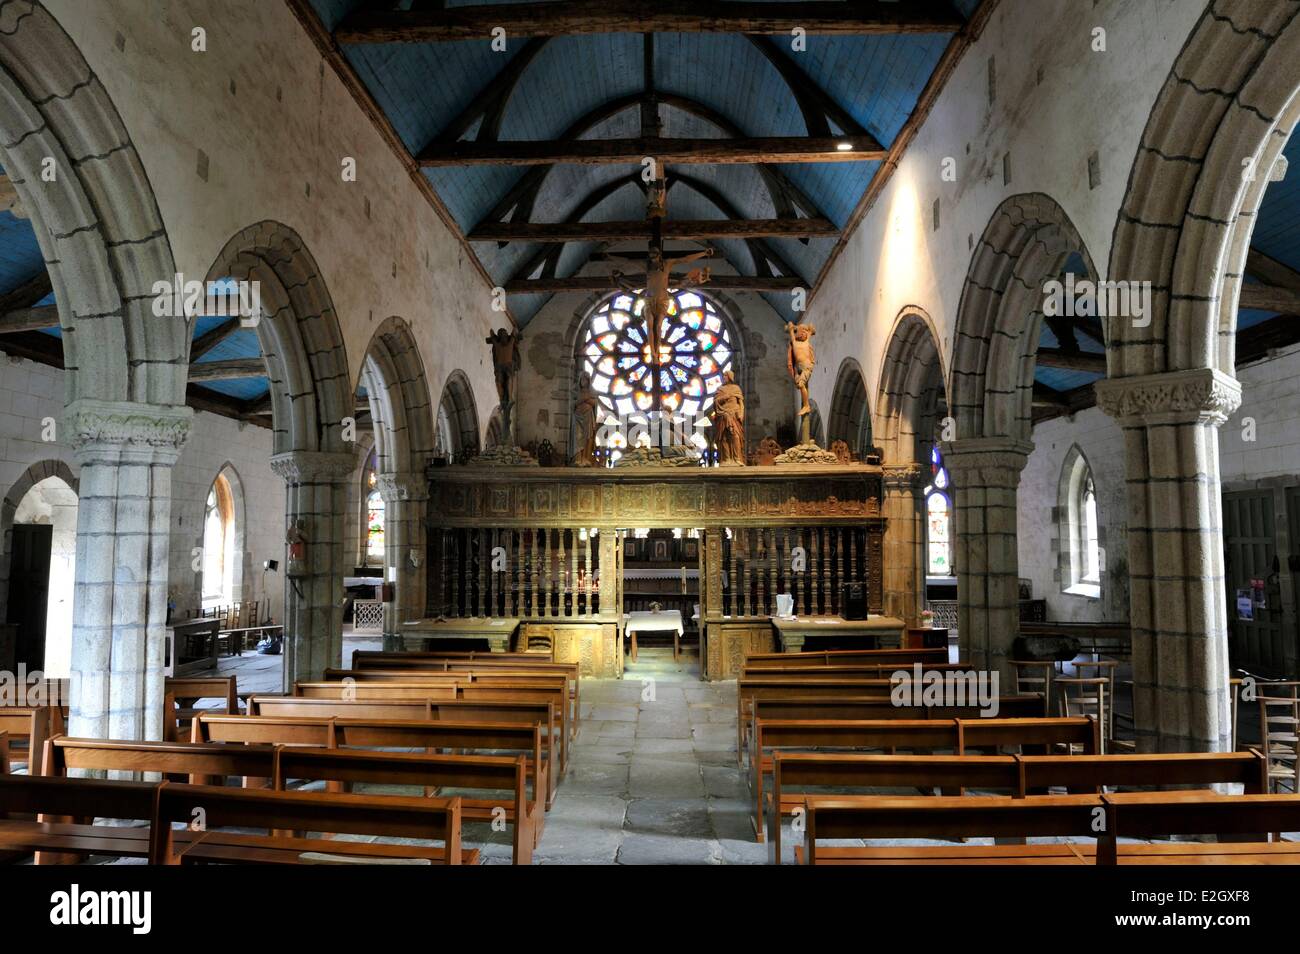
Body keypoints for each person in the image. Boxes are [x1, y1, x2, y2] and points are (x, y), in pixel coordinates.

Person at [713, 369, 745, 465]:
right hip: (723, 414)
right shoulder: (720, 389)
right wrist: (724, 398)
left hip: (734, 415)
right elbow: (715, 403)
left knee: (735, 435)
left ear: (730, 377)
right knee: (724, 437)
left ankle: (737, 458)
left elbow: (741, 403)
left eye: (725, 376)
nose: (723, 378)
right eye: (723, 376)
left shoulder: (736, 388)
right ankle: (726, 460)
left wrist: (741, 414)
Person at [785, 322, 816, 418]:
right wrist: (791, 328)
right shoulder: (794, 342)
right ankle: (806, 405)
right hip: (798, 367)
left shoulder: (807, 342)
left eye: (805, 332)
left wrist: (810, 329)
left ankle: (806, 406)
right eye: (801, 332)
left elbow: (811, 331)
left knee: (801, 384)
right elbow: (791, 332)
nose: (804, 334)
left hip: (806, 366)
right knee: (799, 384)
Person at [573, 372, 600, 466]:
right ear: (580, 380)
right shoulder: (575, 391)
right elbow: (574, 403)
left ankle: (585, 458)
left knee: (588, 438)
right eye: (582, 379)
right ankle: (578, 458)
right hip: (577, 417)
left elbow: (595, 403)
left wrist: (585, 399)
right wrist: (583, 399)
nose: (584, 381)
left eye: (586, 379)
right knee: (577, 437)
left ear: (589, 381)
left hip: (588, 416)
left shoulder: (592, 392)